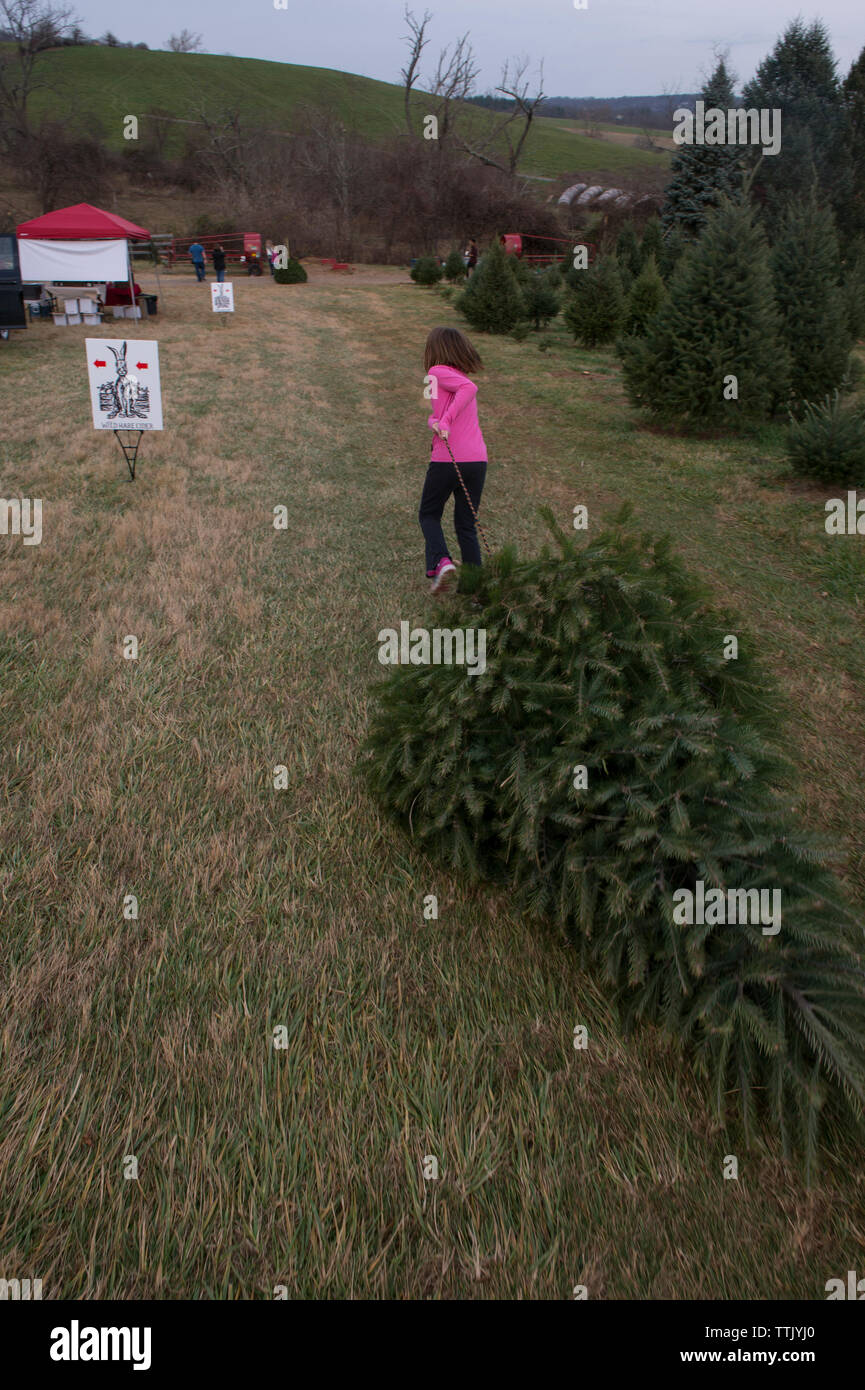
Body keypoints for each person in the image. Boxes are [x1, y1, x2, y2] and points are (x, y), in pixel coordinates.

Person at [420, 326, 487, 593]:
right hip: (476, 461)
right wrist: (435, 420)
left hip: (448, 459)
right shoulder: (454, 376)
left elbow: (470, 388)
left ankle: (442, 562)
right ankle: (474, 591)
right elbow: (444, 413)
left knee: (428, 514)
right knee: (466, 524)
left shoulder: (437, 372)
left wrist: (444, 420)